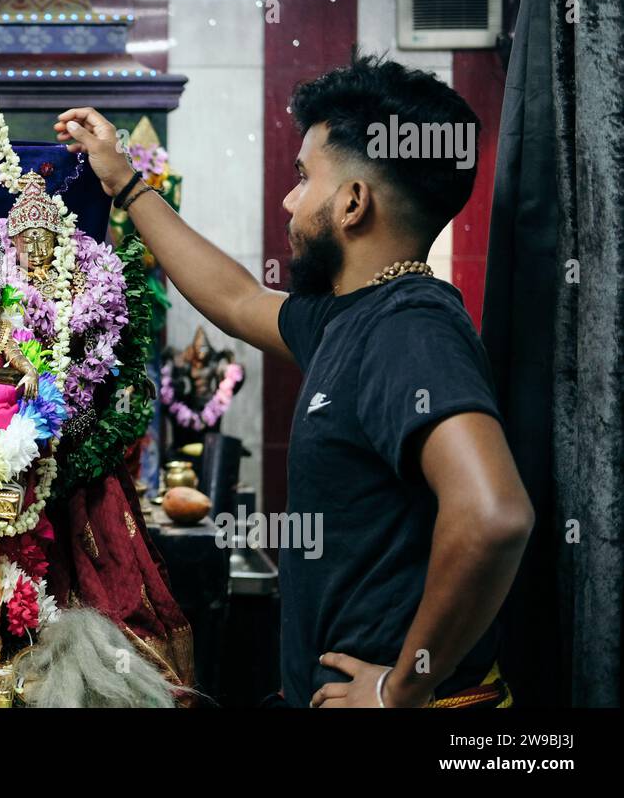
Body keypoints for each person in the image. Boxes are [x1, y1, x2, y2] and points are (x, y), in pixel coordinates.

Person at [56, 57, 534, 708]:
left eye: (304, 177)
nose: (289, 197)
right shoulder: (352, 316)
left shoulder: (409, 329)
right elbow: (237, 298)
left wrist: (401, 689)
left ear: (353, 202)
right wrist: (128, 186)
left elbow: (494, 514)